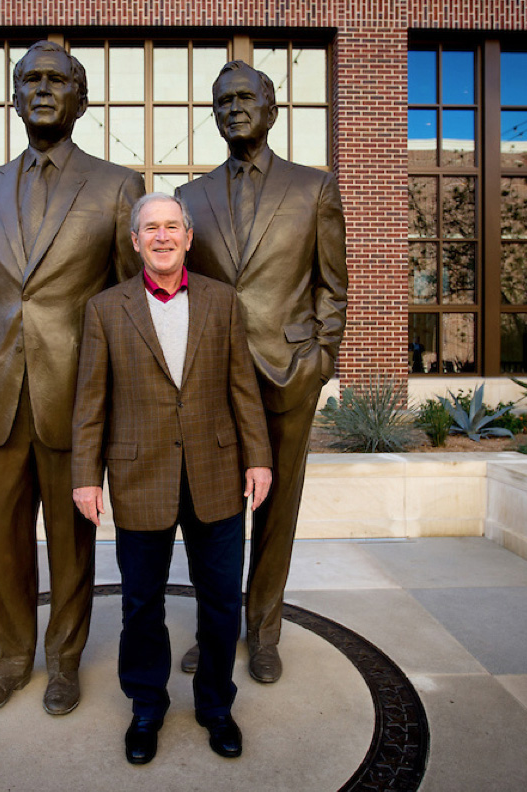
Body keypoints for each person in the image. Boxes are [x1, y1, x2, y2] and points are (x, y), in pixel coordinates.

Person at [0, 40, 145, 720]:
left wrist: (128, 403)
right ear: (14, 97)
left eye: (59, 80)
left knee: (72, 540)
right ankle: (11, 660)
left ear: (81, 100)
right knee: (2, 538)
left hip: (74, 398)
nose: (44, 89)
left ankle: (65, 662)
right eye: (31, 80)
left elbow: (128, 303)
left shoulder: (117, 186)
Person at [71, 193, 272, 765]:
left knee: (219, 603)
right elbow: (91, 403)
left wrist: (259, 457)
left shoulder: (223, 302)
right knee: (140, 603)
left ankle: (214, 705)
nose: (162, 236)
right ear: (135, 241)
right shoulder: (105, 309)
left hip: (216, 471)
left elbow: (242, 388)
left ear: (188, 237)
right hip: (140, 477)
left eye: (172, 227)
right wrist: (86, 477)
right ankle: (146, 707)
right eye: (150, 228)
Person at [175, 60, 348, 684]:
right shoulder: (189, 199)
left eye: (246, 98)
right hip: (212, 382)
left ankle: (264, 631)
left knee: (277, 513)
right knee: (211, 516)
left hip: (288, 373)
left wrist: (319, 359)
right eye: (221, 101)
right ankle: (215, 628)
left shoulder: (314, 187)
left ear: (272, 110)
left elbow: (333, 286)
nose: (233, 108)